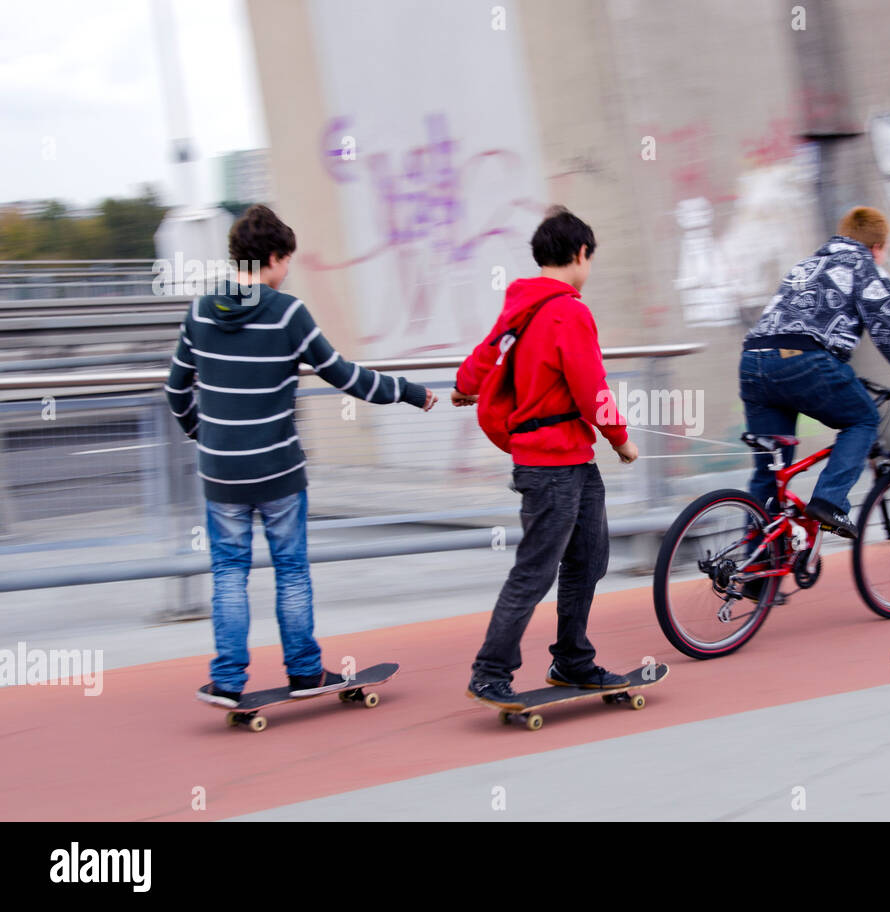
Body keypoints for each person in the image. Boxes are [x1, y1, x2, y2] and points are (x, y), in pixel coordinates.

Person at [169, 205, 436, 708]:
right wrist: (408, 391)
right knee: (290, 569)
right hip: (277, 470)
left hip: (220, 472)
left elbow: (175, 389)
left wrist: (201, 435)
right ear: (271, 258)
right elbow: (344, 375)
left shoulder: (201, 310)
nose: (288, 270)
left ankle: (227, 680)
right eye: (286, 260)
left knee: (228, 572)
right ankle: (305, 672)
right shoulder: (288, 313)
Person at [451, 206, 637, 710]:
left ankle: (572, 658)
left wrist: (464, 387)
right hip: (551, 464)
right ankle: (490, 671)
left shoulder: (523, 306)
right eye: (590, 258)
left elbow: (486, 355)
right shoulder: (568, 311)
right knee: (536, 569)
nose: (590, 268)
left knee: (589, 558)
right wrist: (621, 440)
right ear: (580, 255)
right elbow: (590, 389)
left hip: (572, 460)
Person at [740, 205, 890, 539]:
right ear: (878, 247)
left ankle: (753, 574)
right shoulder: (865, 267)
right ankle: (830, 502)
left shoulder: (807, 264)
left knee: (770, 472)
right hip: (804, 361)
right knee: (864, 419)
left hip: (753, 362)